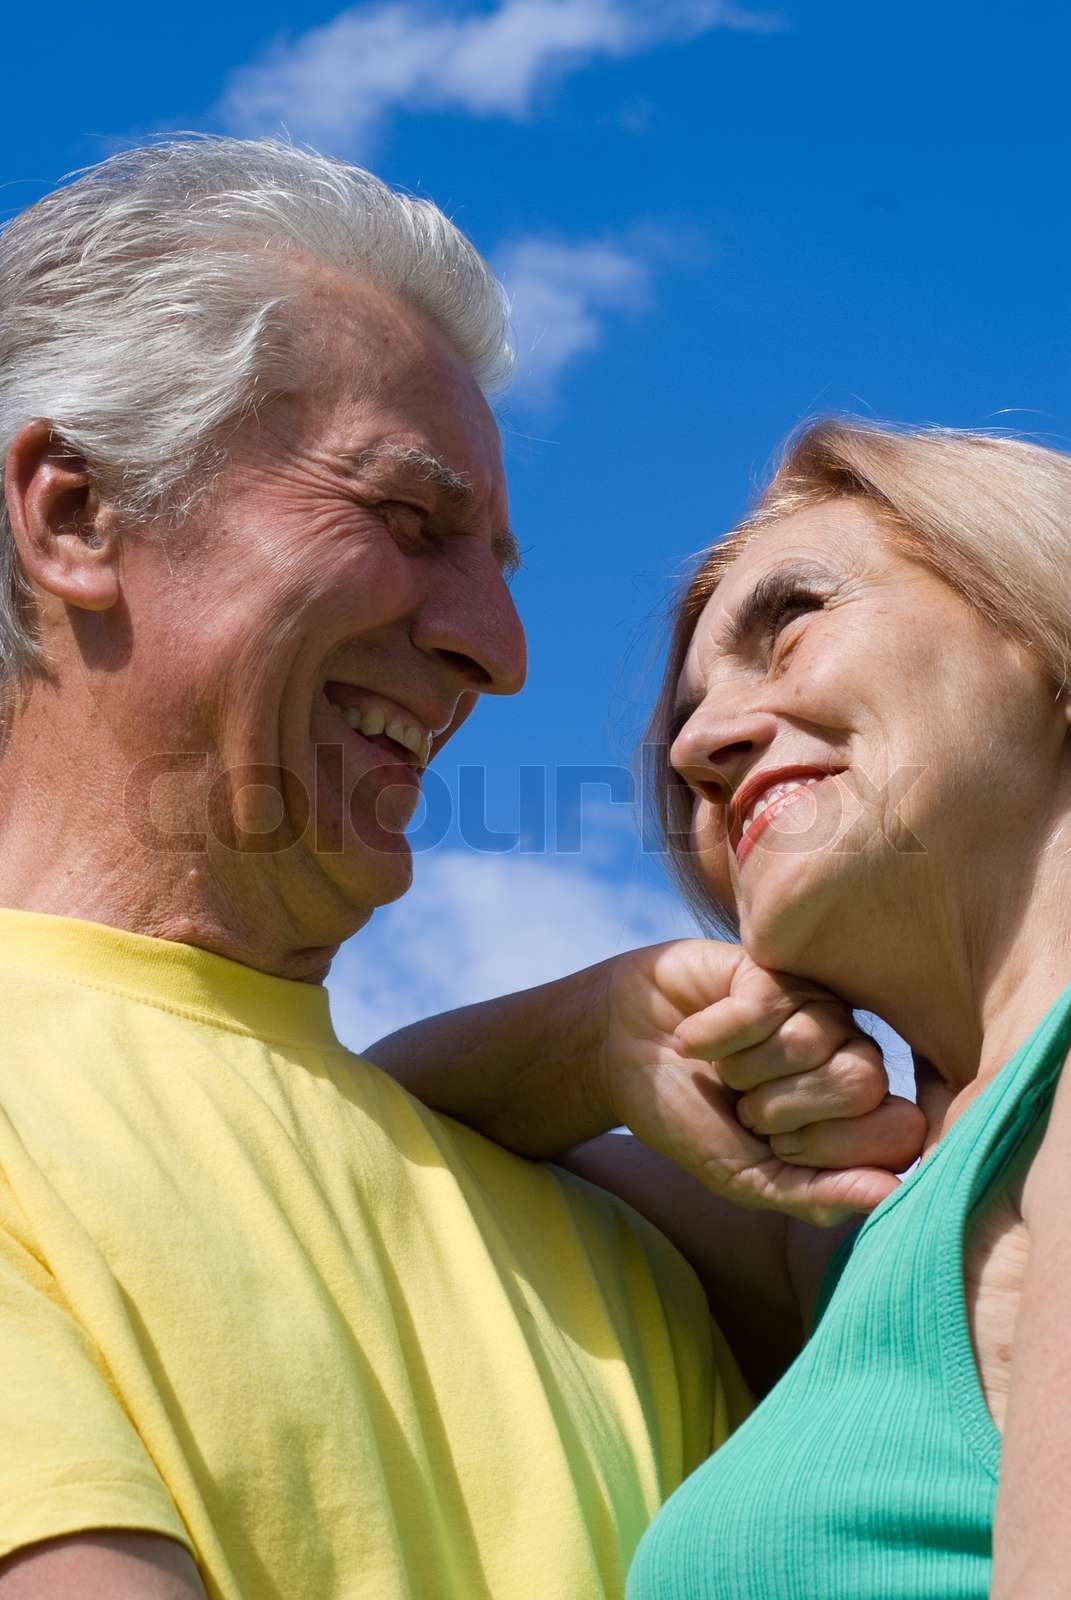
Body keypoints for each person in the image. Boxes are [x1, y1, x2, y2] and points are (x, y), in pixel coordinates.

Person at [0, 138, 913, 1600]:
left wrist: (576, 1047)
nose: (499, 651)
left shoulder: (639, 1246)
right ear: (75, 512)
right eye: (405, 522)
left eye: (496, 561)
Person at [392, 420, 1071, 1598]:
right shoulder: (857, 1240)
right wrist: (605, 1036)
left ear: (1043, 631)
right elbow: (358, 1125)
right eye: (689, 719)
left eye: (794, 619)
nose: (702, 744)